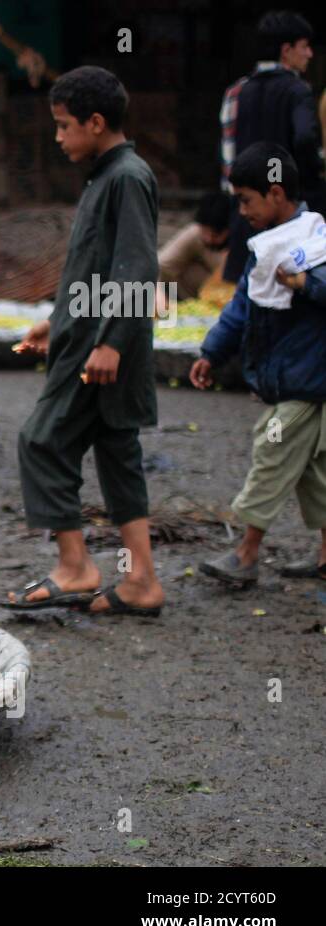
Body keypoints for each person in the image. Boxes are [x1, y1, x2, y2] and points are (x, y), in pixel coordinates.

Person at [3, 66, 165, 617]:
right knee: (118, 450)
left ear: (96, 123)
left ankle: (76, 567)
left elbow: (138, 268)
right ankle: (141, 580)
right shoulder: (107, 175)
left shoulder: (126, 177)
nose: (58, 136)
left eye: (64, 125)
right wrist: (59, 321)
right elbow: (93, 269)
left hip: (102, 350)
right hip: (90, 339)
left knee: (42, 440)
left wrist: (110, 342)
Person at [191, 144, 326, 585]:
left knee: (271, 450)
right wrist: (213, 352)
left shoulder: (313, 241)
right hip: (291, 380)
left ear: (275, 193)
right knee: (313, 468)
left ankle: (247, 553)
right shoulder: (266, 248)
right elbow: (243, 306)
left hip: (306, 379)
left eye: (247, 200)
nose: (241, 211)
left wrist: (304, 281)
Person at [219, 10, 324, 282]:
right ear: (286, 50)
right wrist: (311, 176)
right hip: (288, 220)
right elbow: (304, 140)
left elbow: (229, 165)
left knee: (248, 293)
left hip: (248, 220)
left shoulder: (236, 92)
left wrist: (243, 204)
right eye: (305, 46)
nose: (310, 54)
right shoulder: (297, 91)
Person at [158, 191, 230, 302]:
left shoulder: (240, 241)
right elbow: (162, 264)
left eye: (215, 235)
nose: (208, 239)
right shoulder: (195, 233)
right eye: (205, 232)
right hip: (191, 298)